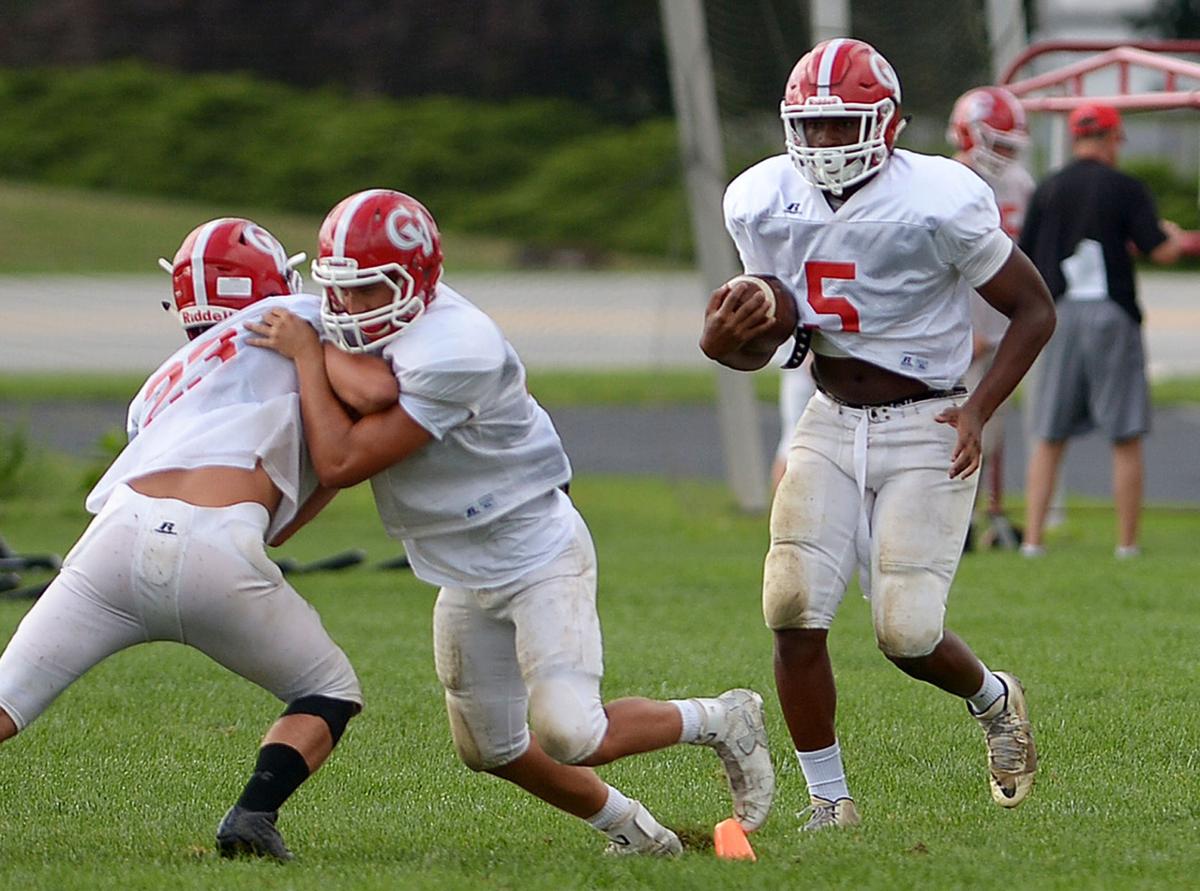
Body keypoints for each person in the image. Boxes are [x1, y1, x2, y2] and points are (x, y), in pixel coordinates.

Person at [247, 188, 776, 855]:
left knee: (571, 732)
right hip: (462, 567)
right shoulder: (357, 327)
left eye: (367, 291)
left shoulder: (458, 345)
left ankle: (724, 718)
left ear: (416, 282)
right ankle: (639, 835)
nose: (347, 308)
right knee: (487, 747)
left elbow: (345, 458)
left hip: (533, 550)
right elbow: (348, 420)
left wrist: (305, 355)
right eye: (339, 291)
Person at [699, 38, 1055, 830]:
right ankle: (830, 801)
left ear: (886, 123)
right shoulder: (760, 198)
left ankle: (994, 700)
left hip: (928, 419)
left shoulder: (940, 196)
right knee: (790, 606)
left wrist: (978, 410)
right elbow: (782, 335)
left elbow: (1034, 310)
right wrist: (732, 342)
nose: (824, 143)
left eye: (842, 124)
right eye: (813, 125)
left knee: (907, 632)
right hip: (828, 416)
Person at [0, 218, 396, 861]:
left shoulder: (157, 388)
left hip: (113, 540)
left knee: (6, 704)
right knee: (328, 692)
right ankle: (252, 814)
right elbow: (372, 403)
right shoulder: (304, 317)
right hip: (220, 543)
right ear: (276, 283)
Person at [1019, 103, 1184, 559]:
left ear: (1075, 138)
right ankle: (1126, 544)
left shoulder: (1049, 188)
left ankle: (1033, 541)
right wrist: (1171, 234)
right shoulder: (1126, 187)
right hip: (1112, 313)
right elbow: (1160, 250)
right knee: (1125, 433)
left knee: (1048, 433)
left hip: (1058, 314)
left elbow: (1023, 254)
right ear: (1112, 138)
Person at [947, 85, 1037, 549]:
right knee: (942, 431)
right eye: (996, 143)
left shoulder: (1020, 185)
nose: (1002, 155)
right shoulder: (946, 183)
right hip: (953, 332)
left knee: (990, 433)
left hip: (1002, 332)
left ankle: (973, 519)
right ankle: (945, 520)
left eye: (1008, 146)